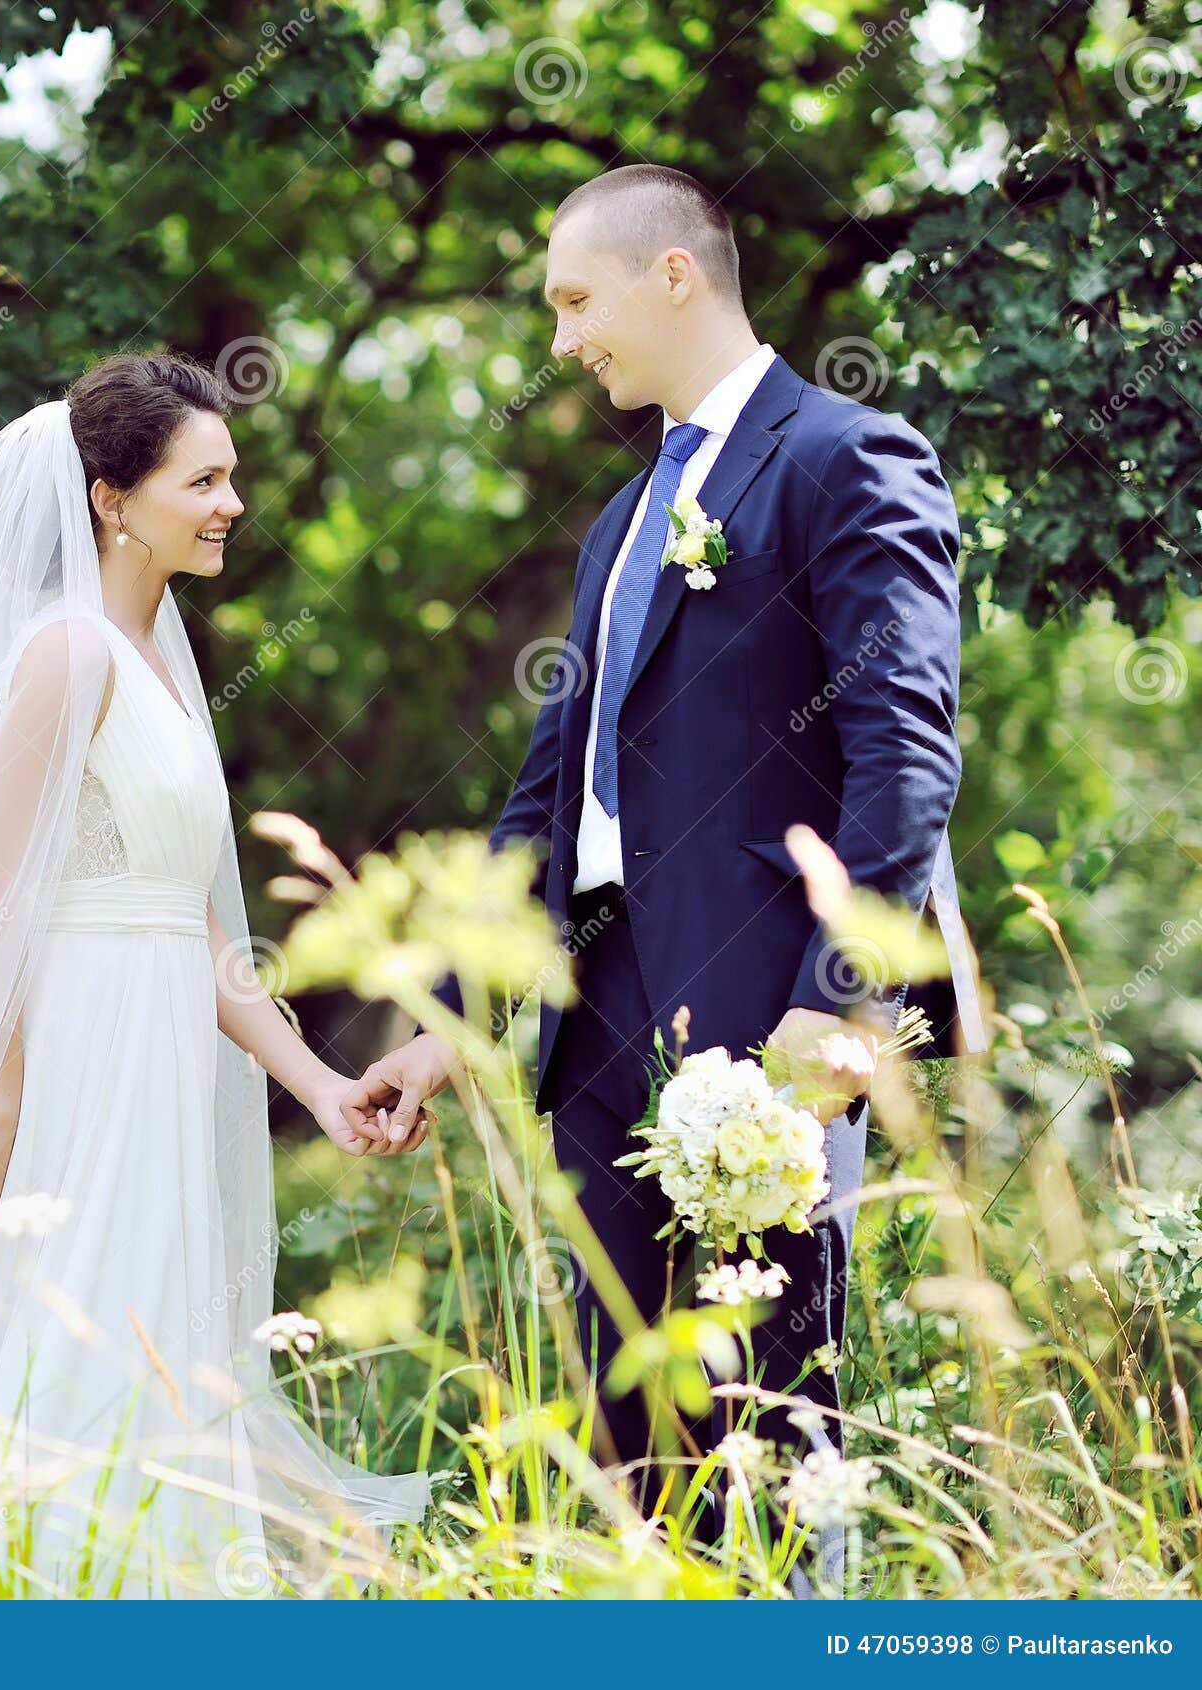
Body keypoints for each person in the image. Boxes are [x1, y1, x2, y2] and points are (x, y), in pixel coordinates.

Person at [340, 165, 981, 1578]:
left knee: (777, 1405)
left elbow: (906, 755)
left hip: (772, 1017)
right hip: (599, 1018)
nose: (566, 339)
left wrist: (839, 994)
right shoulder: (623, 523)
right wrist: (451, 1016)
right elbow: (548, 798)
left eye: (578, 299)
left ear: (673, 274)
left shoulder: (843, 457)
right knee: (625, 1417)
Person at [0, 352, 430, 1599]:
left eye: (231, 477)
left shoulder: (160, 649)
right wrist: (0, 1112)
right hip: (62, 1063)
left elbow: (192, 926)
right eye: (202, 480)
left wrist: (315, 1083)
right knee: (43, 1340)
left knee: (149, 1342)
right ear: (111, 497)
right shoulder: (65, 653)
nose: (230, 505)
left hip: (157, 1050)